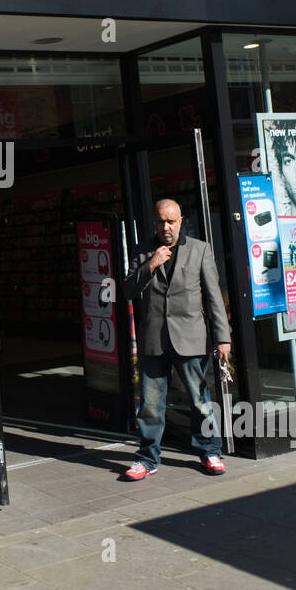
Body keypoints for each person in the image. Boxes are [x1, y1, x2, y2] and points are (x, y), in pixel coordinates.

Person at [122, 199, 232, 478]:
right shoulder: (142, 250)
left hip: (191, 338)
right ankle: (147, 459)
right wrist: (150, 264)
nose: (166, 227)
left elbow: (213, 297)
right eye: (160, 221)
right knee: (150, 404)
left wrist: (222, 337)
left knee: (198, 400)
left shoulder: (200, 250)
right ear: (154, 223)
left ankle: (209, 452)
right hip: (154, 340)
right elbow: (127, 290)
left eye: (171, 221)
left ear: (180, 221)